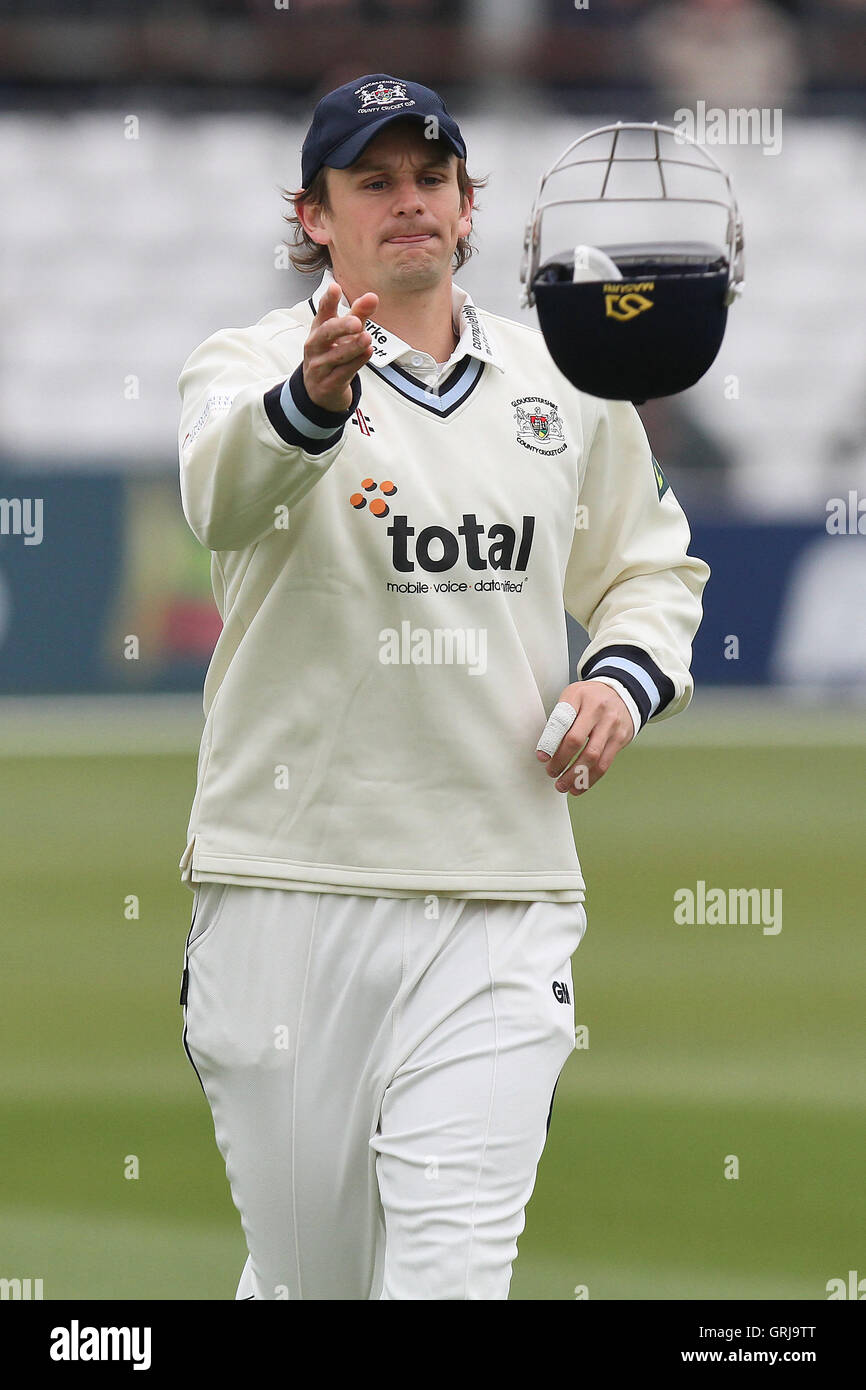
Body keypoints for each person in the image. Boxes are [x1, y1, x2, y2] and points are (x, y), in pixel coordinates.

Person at [176, 72, 710, 1301]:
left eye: (433, 179)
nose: (408, 202)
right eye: (373, 181)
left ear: (470, 209)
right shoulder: (248, 361)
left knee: (450, 1276)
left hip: (501, 894)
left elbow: (648, 568)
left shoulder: (565, 381)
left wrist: (621, 683)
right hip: (285, 886)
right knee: (316, 1281)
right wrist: (310, 399)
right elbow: (222, 494)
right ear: (313, 213)